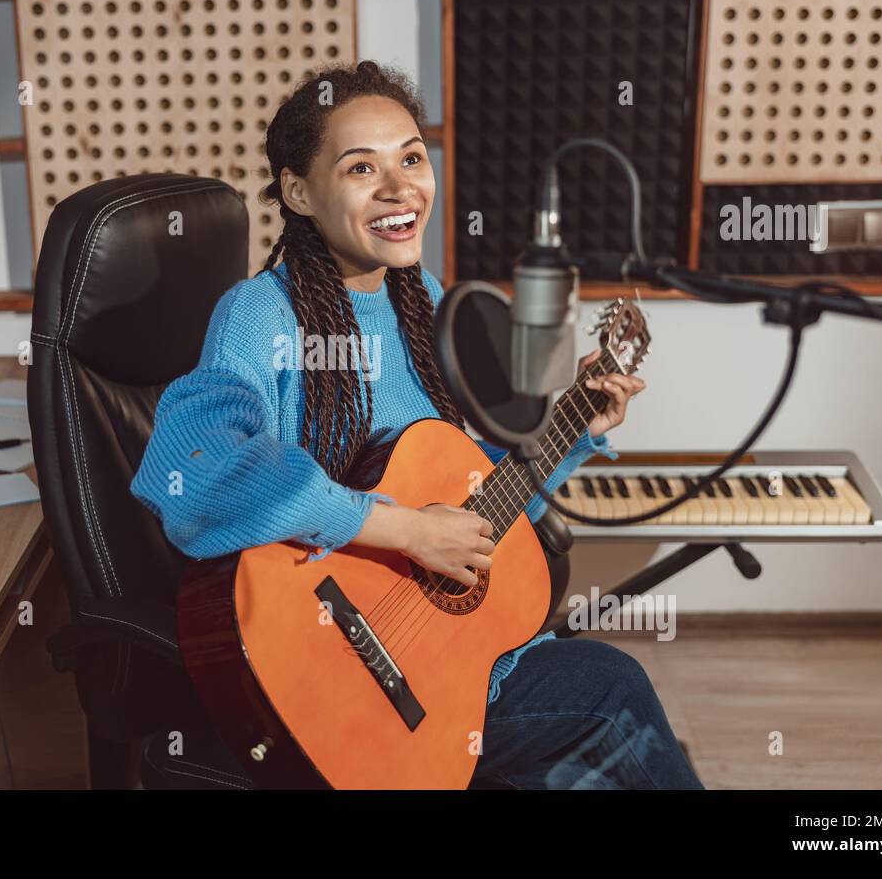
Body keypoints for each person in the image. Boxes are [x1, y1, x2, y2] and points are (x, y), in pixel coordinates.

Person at [131, 60, 702, 789]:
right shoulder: (260, 315)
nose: (400, 187)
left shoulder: (423, 302)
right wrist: (401, 529)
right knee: (611, 691)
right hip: (324, 668)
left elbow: (472, 509)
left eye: (410, 158)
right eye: (362, 167)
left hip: (436, 665)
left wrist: (575, 425)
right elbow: (193, 476)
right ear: (299, 193)